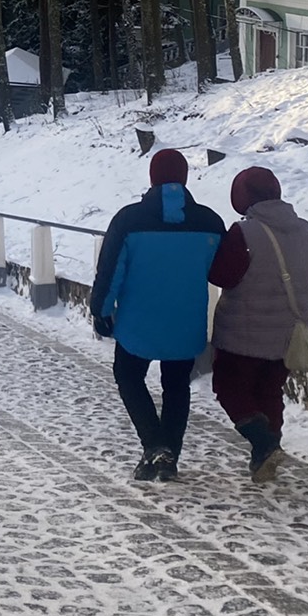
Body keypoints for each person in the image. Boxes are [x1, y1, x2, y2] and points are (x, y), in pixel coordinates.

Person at [89, 148, 226, 482]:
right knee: (177, 386)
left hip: (138, 323)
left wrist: (101, 312)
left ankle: (154, 445)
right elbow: (221, 272)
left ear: (151, 178)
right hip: (186, 323)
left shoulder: (129, 220)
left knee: (128, 375)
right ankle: (167, 456)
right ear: (185, 178)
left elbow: (111, 271)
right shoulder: (209, 221)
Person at [209, 166, 308, 483]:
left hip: (242, 335)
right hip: (289, 333)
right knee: (269, 391)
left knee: (230, 388)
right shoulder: (306, 230)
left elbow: (220, 276)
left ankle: (265, 443)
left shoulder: (244, 233)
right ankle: (264, 458)